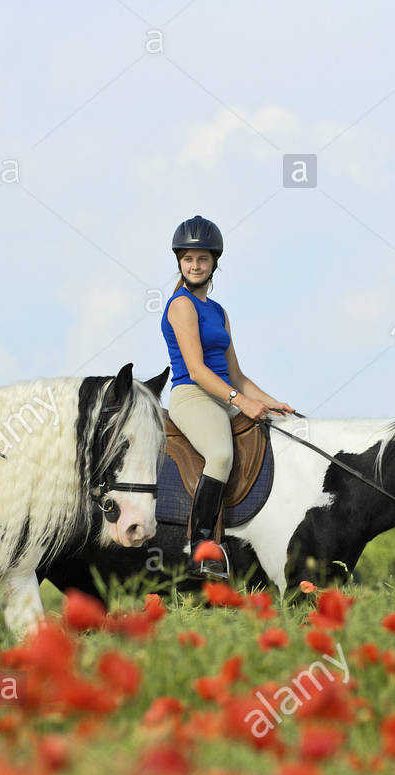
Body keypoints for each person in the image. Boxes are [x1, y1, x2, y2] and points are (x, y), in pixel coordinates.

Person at [160, 215, 294, 578]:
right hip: (193, 395)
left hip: (225, 394)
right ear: (180, 262)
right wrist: (241, 401)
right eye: (188, 259)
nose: (195, 265)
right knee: (219, 455)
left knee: (280, 436)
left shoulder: (218, 312)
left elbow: (237, 375)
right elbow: (199, 371)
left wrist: (272, 402)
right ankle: (201, 550)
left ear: (214, 262)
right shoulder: (181, 305)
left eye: (202, 259)